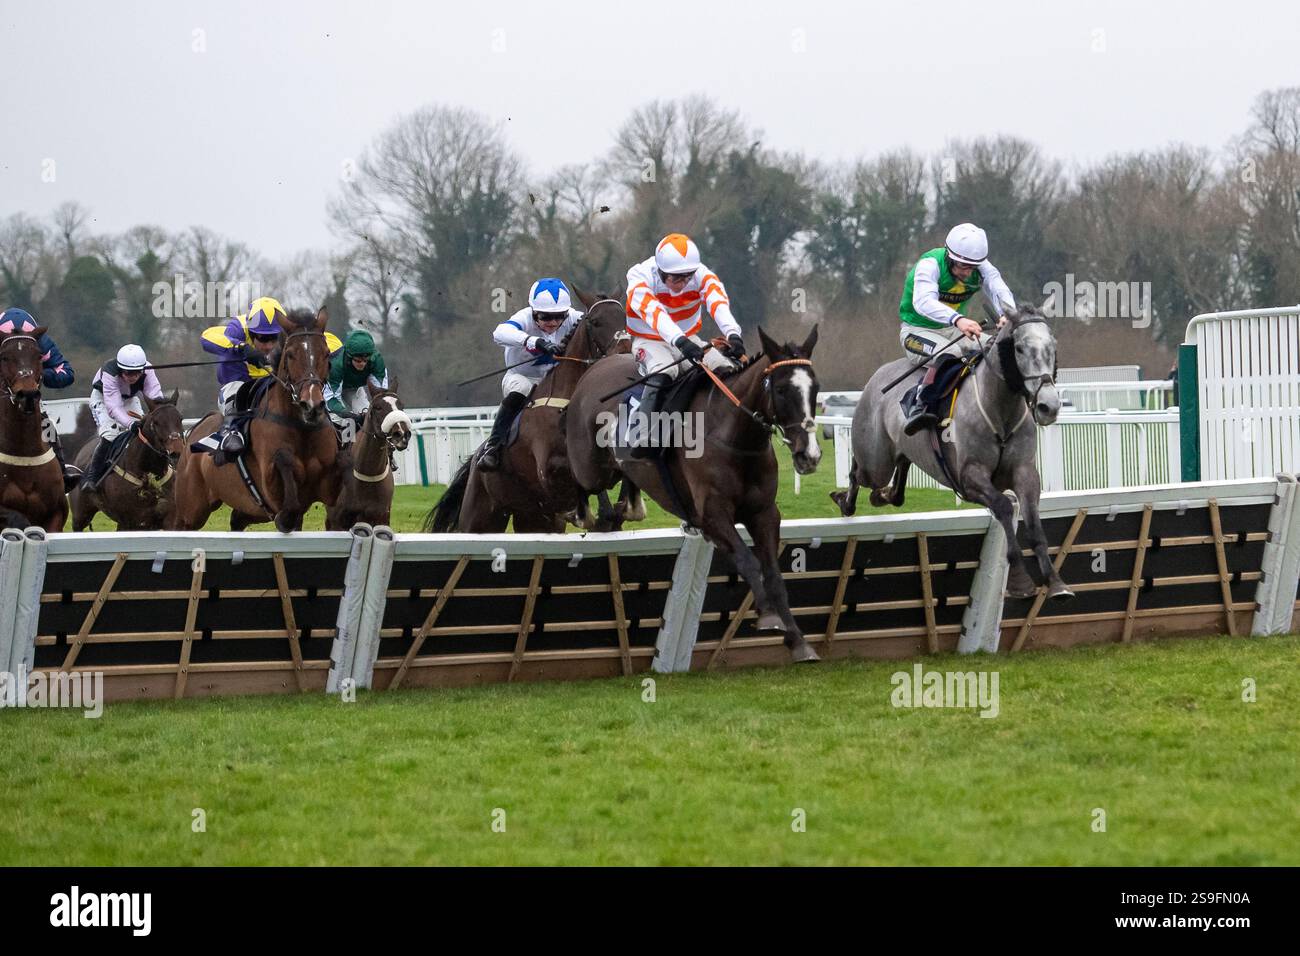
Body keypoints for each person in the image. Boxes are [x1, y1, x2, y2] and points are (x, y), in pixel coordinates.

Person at [623, 233, 744, 458]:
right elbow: (655, 313)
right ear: (660, 271)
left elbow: (717, 302)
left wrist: (733, 334)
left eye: (687, 277)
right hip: (649, 339)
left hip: (688, 338)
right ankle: (643, 431)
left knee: (726, 368)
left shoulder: (702, 274)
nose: (683, 283)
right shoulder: (639, 276)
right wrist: (680, 341)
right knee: (666, 369)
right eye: (676, 279)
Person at [897, 223, 1017, 435]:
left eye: (972, 267)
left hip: (953, 329)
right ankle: (918, 403)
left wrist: (1007, 315)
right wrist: (958, 319)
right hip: (917, 332)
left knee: (995, 348)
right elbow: (923, 302)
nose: (968, 272)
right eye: (963, 266)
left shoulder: (980, 267)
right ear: (950, 257)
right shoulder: (930, 264)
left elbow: (999, 289)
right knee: (950, 354)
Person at [198, 296, 340, 457]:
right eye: (263, 338)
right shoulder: (238, 327)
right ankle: (230, 432)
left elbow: (334, 343)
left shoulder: (290, 332)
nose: (269, 346)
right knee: (234, 394)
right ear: (251, 332)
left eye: (273, 338)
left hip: (270, 383)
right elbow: (207, 336)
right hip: (238, 384)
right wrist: (241, 348)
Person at [477, 278, 582, 472]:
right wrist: (533, 341)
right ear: (533, 312)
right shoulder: (523, 318)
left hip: (556, 382)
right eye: (546, 317)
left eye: (559, 316)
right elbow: (499, 333)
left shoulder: (575, 318)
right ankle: (494, 447)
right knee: (520, 390)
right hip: (522, 377)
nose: (554, 323)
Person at [0, 307, 79, 490]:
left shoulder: (41, 342)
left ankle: (62, 472)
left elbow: (66, 373)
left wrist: (36, 375)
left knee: (48, 427)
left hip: (29, 402)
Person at [82, 344, 165, 490]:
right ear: (120, 369)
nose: (133, 377)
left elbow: (155, 396)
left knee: (145, 431)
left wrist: (162, 413)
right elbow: (114, 406)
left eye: (137, 373)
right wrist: (129, 423)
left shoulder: (148, 370)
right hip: (103, 399)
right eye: (128, 373)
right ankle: (92, 478)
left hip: (129, 399)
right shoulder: (109, 372)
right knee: (110, 433)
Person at [325, 329, 389, 439]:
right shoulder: (336, 365)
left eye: (365, 360)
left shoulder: (376, 361)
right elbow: (331, 400)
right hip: (332, 391)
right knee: (347, 421)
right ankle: (344, 449)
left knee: (369, 417)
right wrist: (348, 414)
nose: (362, 364)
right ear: (349, 357)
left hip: (353, 389)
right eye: (358, 361)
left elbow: (381, 394)